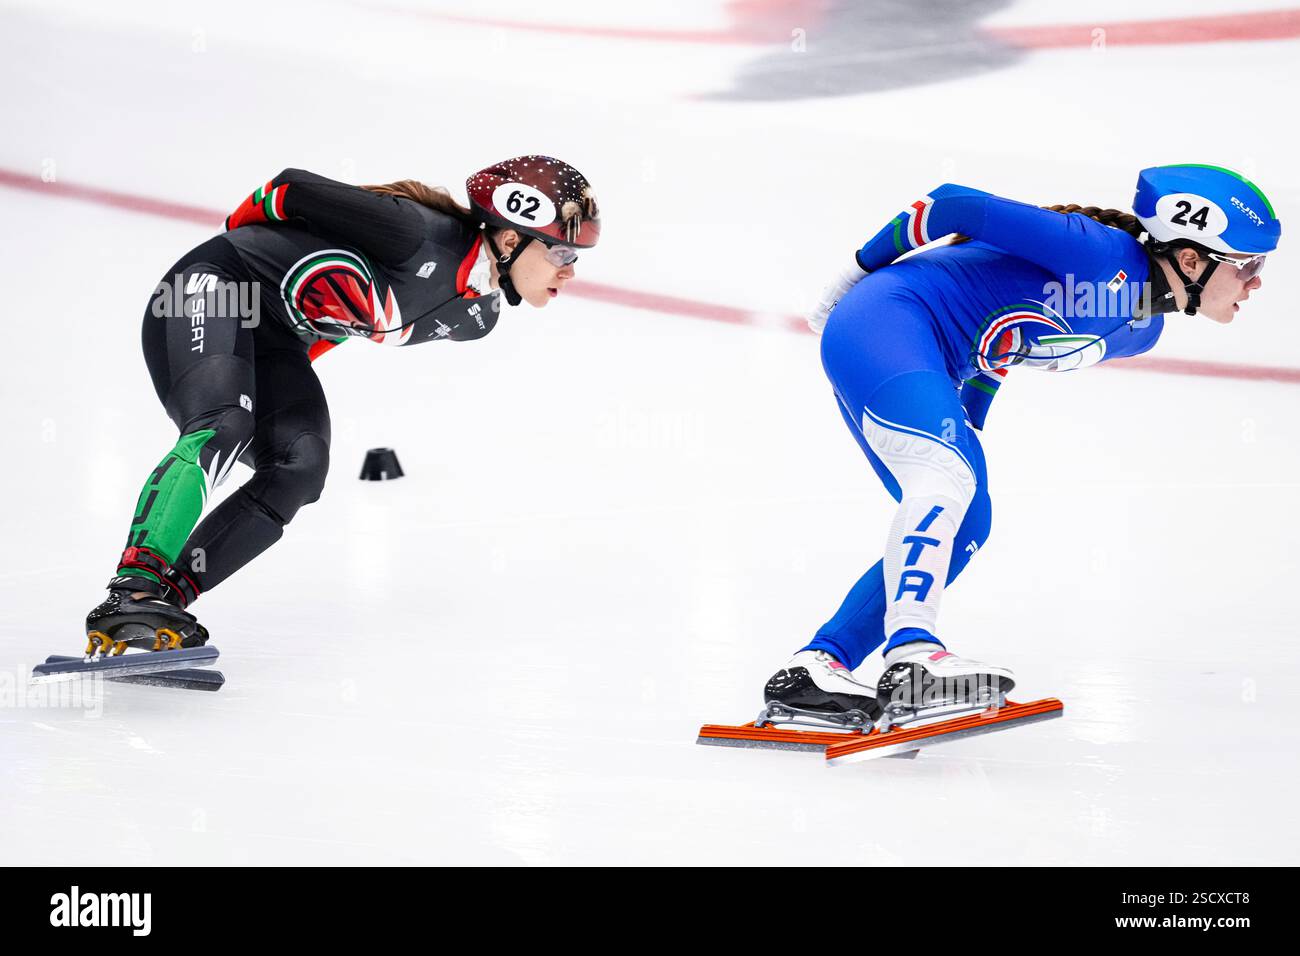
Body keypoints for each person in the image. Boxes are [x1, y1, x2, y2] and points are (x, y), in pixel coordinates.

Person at [764, 164, 1280, 719]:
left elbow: (1009, 336)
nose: (1256, 282)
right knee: (945, 479)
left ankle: (817, 666)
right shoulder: (1100, 256)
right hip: (886, 320)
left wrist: (971, 421)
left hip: (917, 355)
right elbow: (951, 204)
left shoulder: (1141, 326)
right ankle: (913, 655)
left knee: (968, 520)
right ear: (1190, 258)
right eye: (1247, 265)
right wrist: (850, 275)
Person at [84, 156, 600, 655]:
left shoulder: (476, 318)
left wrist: (281, 365)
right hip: (213, 287)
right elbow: (288, 188)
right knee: (225, 425)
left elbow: (350, 315)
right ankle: (131, 588)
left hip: (276, 335)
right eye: (560, 252)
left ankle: (162, 605)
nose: (570, 269)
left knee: (300, 465)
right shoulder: (413, 233)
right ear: (510, 239)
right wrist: (232, 249)